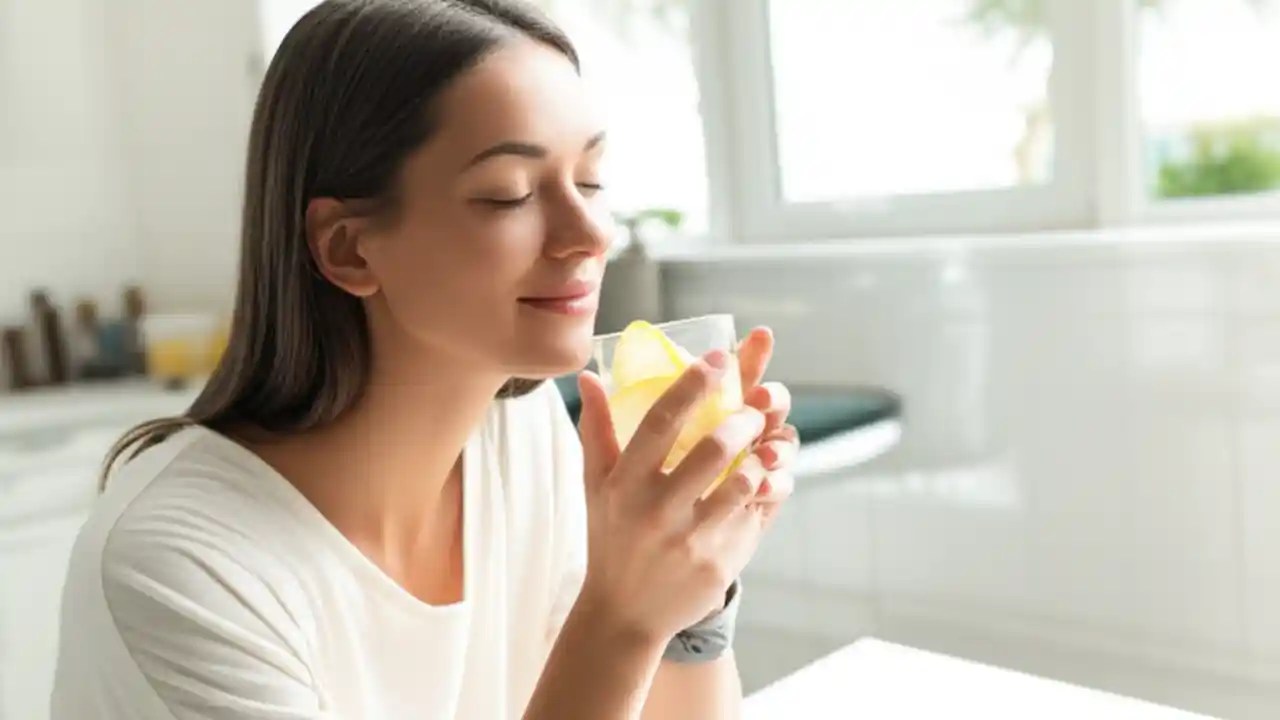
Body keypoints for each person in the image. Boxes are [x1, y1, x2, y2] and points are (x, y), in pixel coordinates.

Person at [50, 1, 799, 717]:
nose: (588, 232)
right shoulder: (185, 566)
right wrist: (624, 613)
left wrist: (693, 593)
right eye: (508, 194)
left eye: (591, 182)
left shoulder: (520, 433)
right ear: (348, 247)